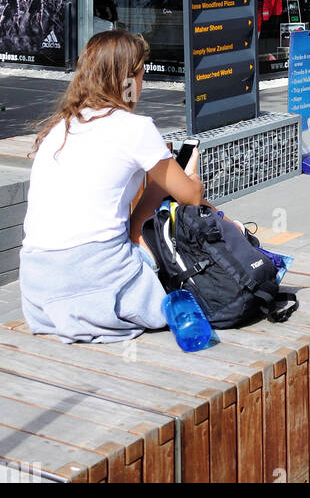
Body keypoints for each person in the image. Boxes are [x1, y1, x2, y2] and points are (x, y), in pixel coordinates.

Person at [19, 30, 205, 343]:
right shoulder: (135, 129)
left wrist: (155, 186)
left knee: (152, 200)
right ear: (129, 79)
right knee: (176, 220)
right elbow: (193, 196)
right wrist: (192, 175)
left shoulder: (59, 128)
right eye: (142, 73)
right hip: (98, 288)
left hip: (38, 292)